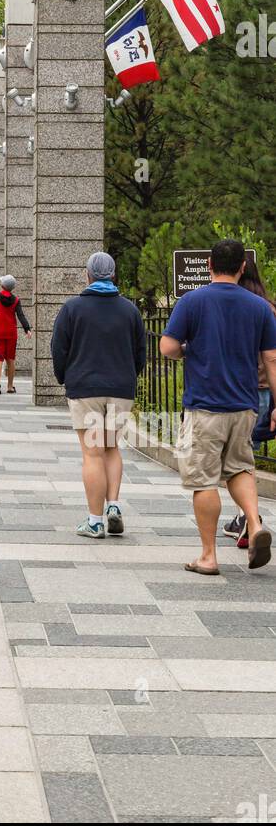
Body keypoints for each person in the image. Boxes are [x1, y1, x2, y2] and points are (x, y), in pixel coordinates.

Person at [160, 238, 276, 574]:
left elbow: (167, 346)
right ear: (243, 267)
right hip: (245, 404)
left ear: (209, 265)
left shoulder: (192, 301)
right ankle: (253, 524)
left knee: (204, 480)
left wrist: (186, 351)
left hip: (205, 405)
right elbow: (271, 359)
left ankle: (208, 556)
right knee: (240, 468)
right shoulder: (259, 307)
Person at [51, 252, 146, 540]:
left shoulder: (73, 308)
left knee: (92, 453)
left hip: (85, 387)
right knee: (112, 448)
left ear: (87, 274)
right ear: (113, 275)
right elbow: (140, 352)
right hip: (121, 388)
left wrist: (64, 377)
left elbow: (59, 349)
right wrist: (129, 376)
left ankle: (94, 521)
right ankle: (114, 504)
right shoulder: (130, 310)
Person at [226, 259, 276, 547]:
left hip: (239, 390)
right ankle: (244, 517)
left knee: (239, 461)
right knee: (246, 457)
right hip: (264, 391)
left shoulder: (237, 308)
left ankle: (248, 518)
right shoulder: (267, 308)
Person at [0, 275, 32, 393]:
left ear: (2, 285)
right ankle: (10, 386)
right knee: (10, 358)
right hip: (11, 332)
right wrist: (27, 328)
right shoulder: (16, 300)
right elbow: (20, 315)